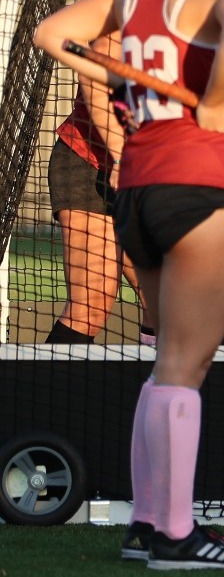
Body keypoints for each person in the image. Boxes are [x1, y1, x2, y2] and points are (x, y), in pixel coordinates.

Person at [34, 0, 224, 566]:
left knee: (167, 360)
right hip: (203, 185)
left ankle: (145, 521)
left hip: (137, 187)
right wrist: (216, 99)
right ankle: (174, 532)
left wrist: (130, 80)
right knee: (183, 365)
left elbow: (52, 32)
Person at [42, 31, 147, 344]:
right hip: (89, 165)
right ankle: (41, 392)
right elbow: (96, 77)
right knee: (91, 305)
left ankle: (155, 393)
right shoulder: (128, 7)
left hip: (146, 178)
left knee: (168, 303)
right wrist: (122, 152)